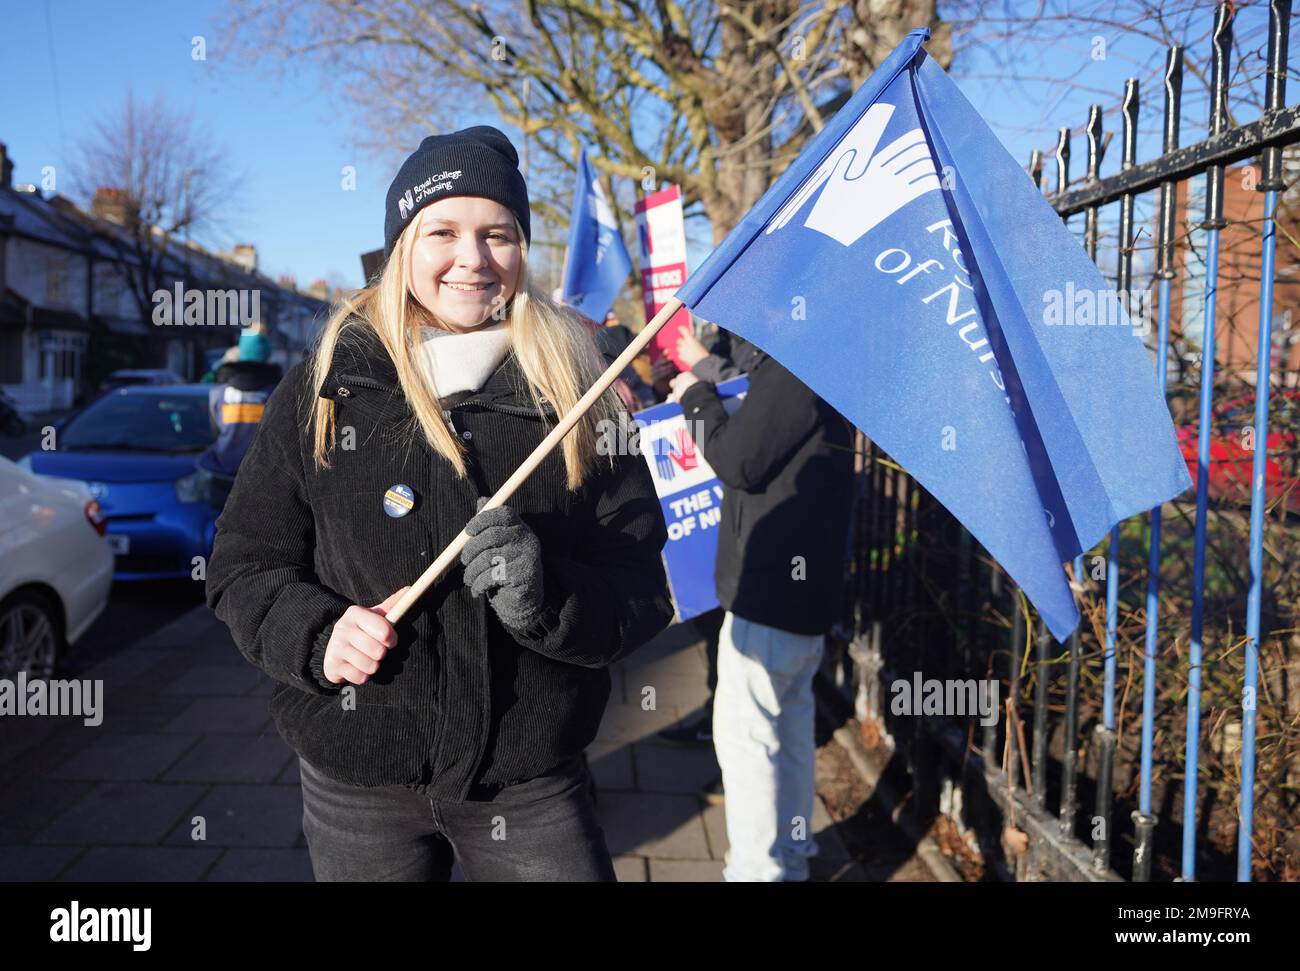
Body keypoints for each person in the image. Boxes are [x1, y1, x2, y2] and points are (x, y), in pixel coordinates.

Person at [206, 125, 675, 882]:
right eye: (443, 231)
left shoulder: (581, 393)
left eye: (497, 233)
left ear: (522, 248)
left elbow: (642, 586)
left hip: (531, 784)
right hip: (356, 781)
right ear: (402, 245)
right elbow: (242, 563)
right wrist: (316, 633)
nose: (472, 258)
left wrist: (546, 594)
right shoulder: (328, 382)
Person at [668, 333, 853, 882]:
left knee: (749, 742)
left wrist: (694, 397)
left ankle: (759, 871)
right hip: (799, 594)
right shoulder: (821, 362)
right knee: (789, 729)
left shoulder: (797, 362)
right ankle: (789, 858)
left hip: (770, 594)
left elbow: (740, 460)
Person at [197, 325, 283, 509]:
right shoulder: (278, 393)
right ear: (266, 355)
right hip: (263, 480)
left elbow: (216, 432)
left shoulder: (218, 394)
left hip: (223, 477)